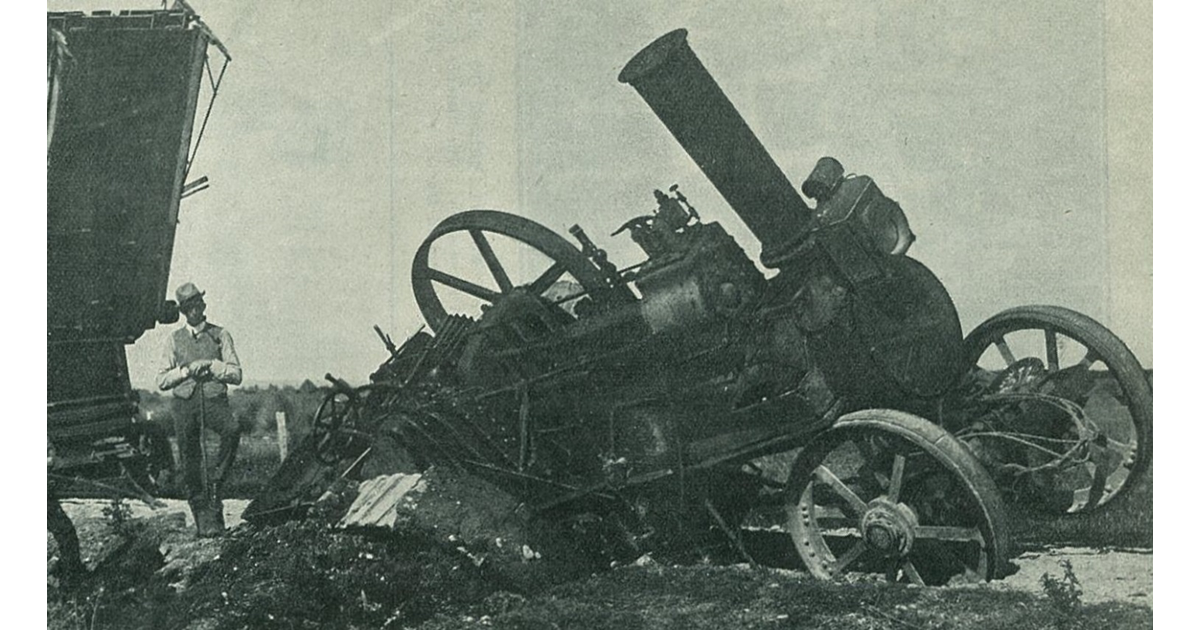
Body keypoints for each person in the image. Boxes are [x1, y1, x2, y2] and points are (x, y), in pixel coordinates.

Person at [156, 282, 243, 537]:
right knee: (189, 459)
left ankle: (217, 484)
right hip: (184, 403)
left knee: (232, 428)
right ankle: (203, 520)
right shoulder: (174, 340)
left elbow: (236, 374)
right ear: (183, 311)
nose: (194, 310)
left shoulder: (220, 334)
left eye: (197, 305)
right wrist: (185, 370)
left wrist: (213, 365)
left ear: (203, 305)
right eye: (188, 307)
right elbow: (161, 380)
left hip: (214, 399)